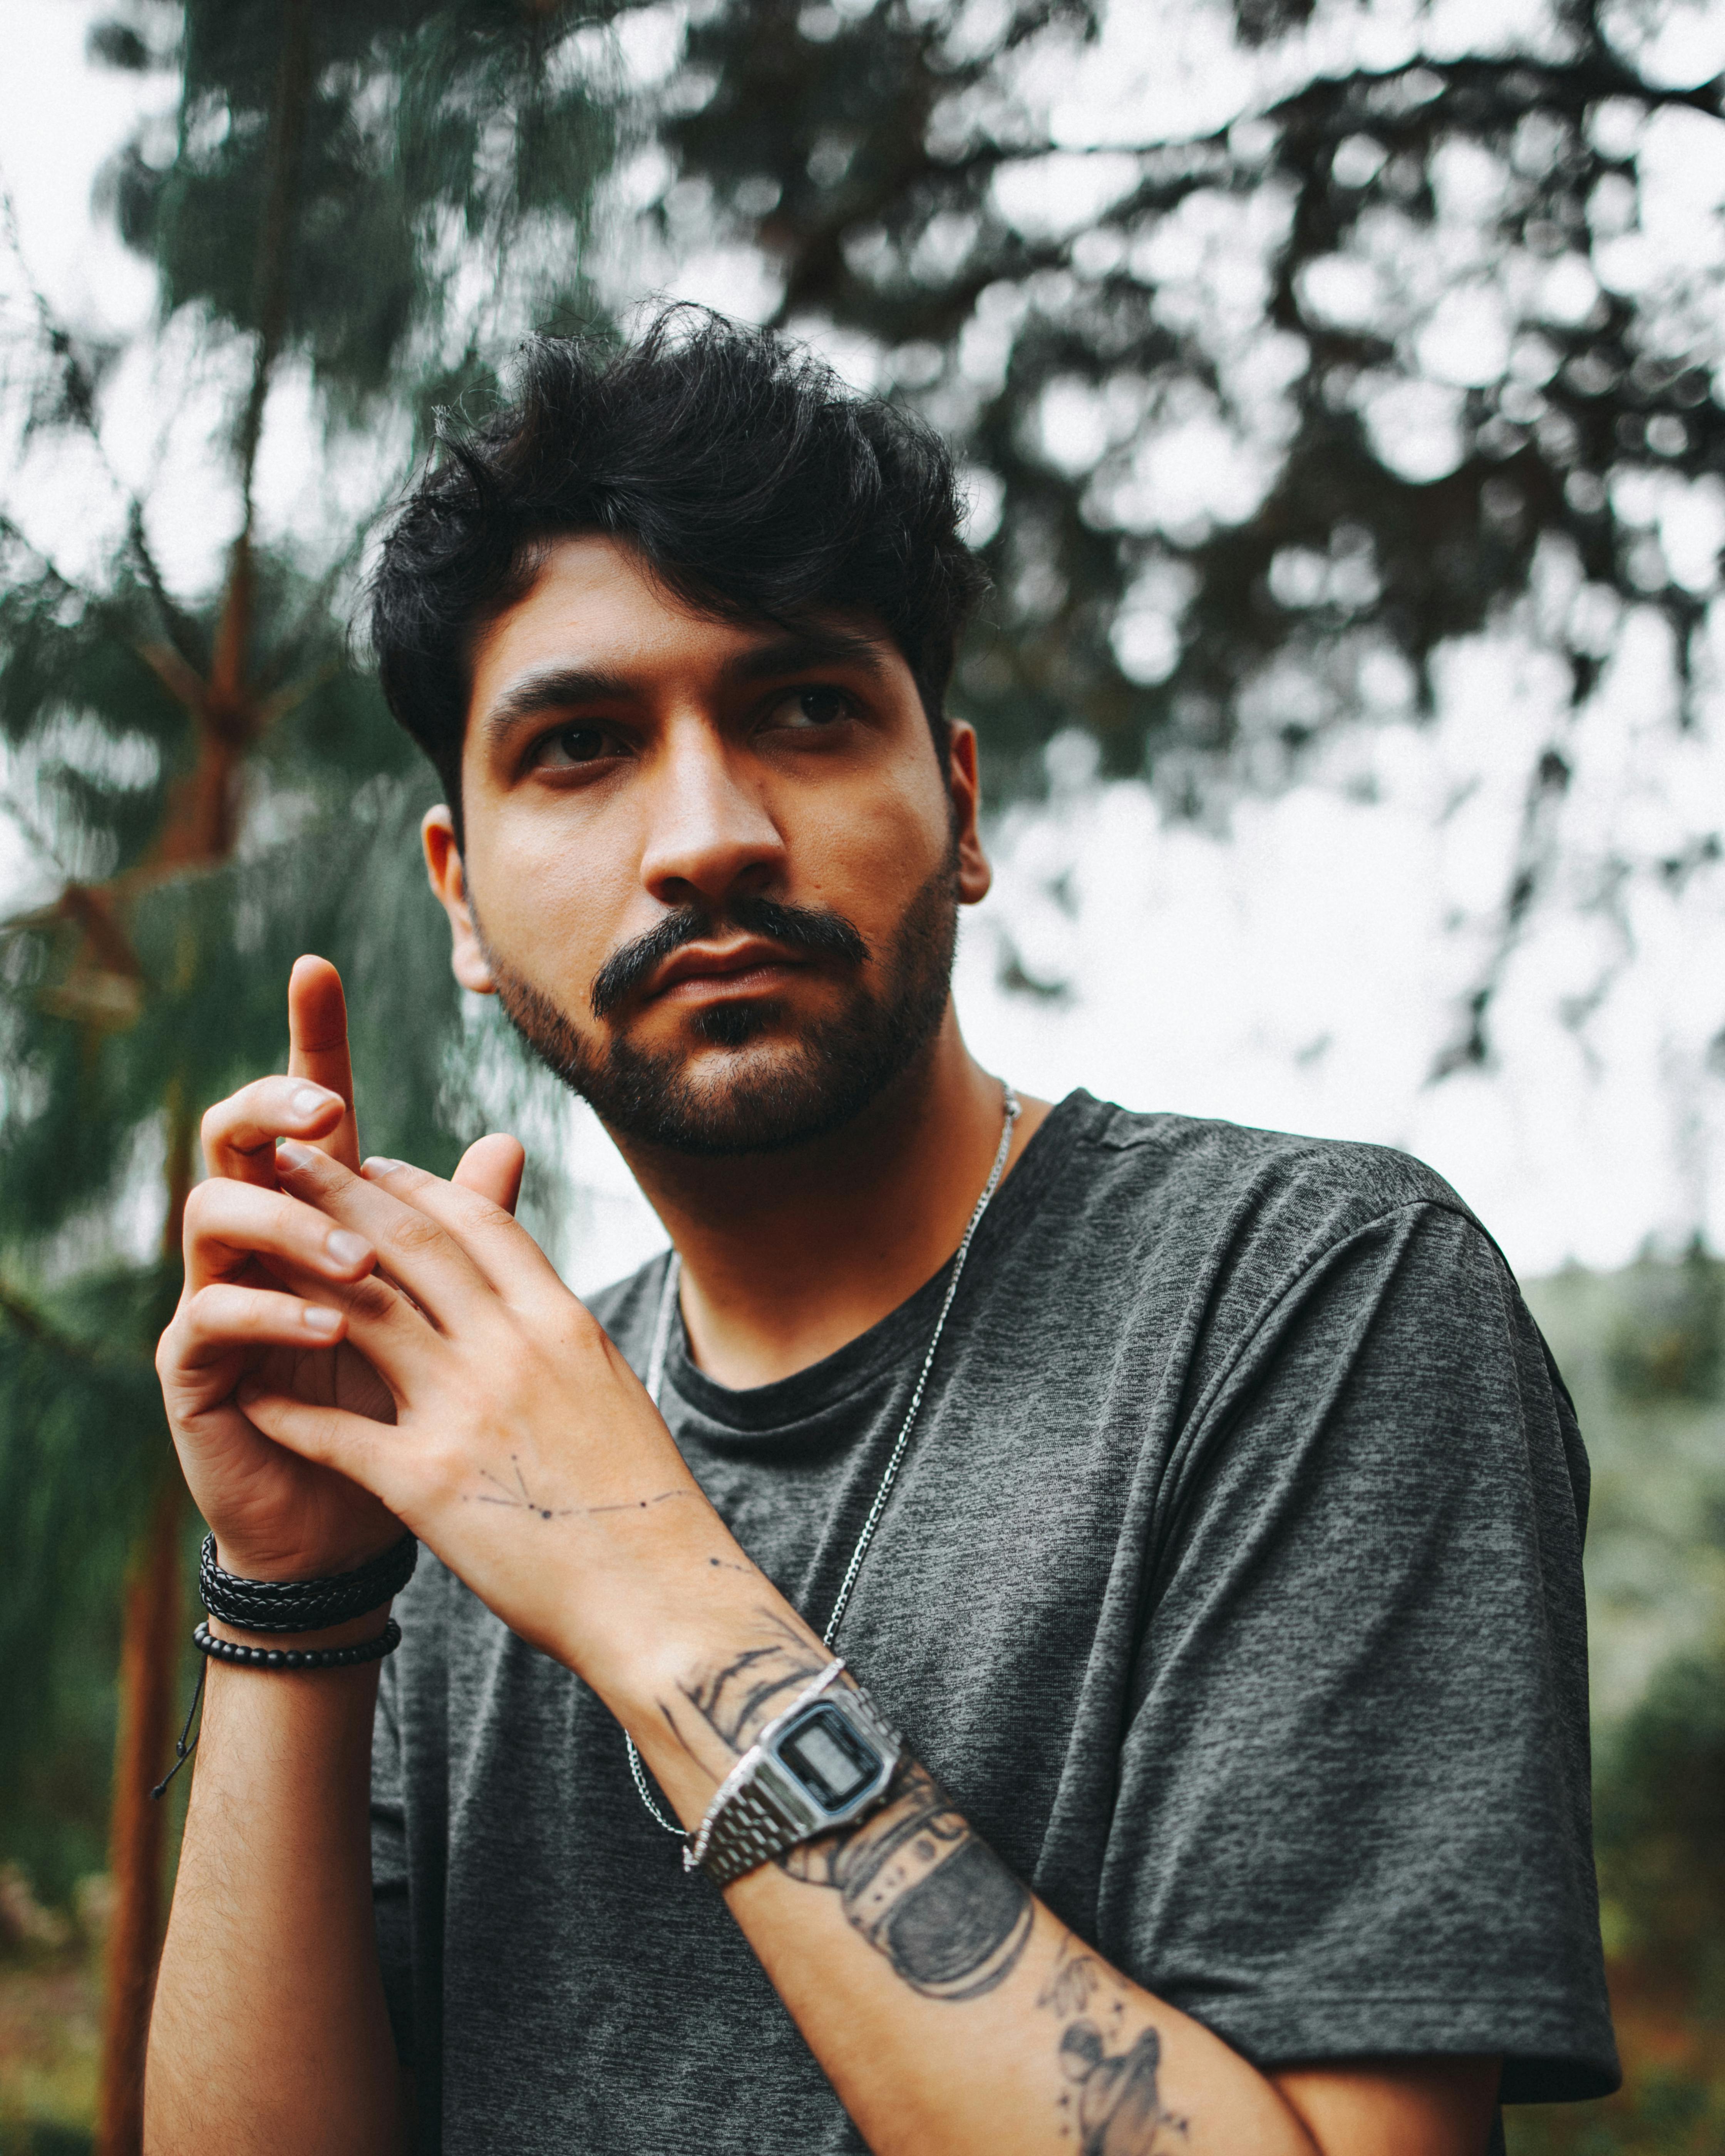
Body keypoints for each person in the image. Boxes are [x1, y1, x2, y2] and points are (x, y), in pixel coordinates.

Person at [147, 308, 1617, 2156]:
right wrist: (291, 1587)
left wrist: (637, 1581)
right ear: (458, 894)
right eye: (582, 744)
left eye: (805, 710)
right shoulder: (445, 1450)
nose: (708, 835)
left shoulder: (1306, 1295)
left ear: (962, 806)